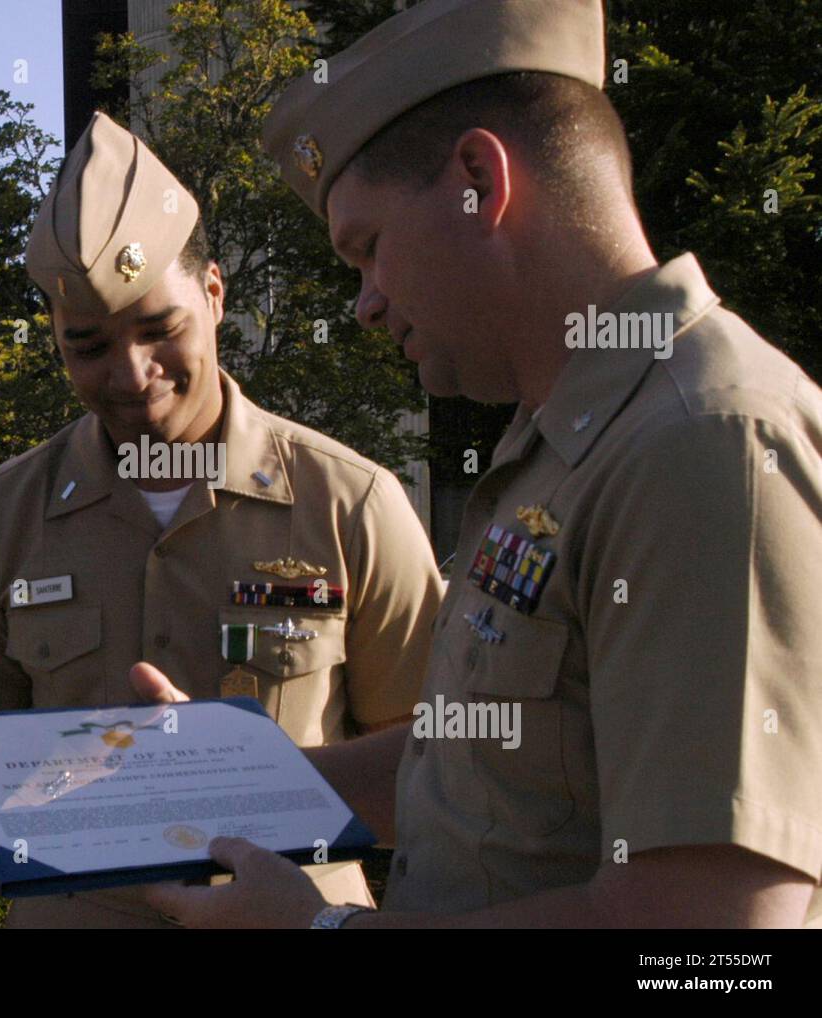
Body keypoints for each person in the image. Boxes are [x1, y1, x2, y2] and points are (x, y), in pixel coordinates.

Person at [139, 0, 822, 928]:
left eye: (368, 249)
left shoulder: (705, 441)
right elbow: (488, 761)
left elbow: (714, 938)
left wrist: (323, 932)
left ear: (477, 179)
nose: (366, 304)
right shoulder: (564, 436)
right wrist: (238, 782)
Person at [0, 110, 443, 928]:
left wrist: (235, 777)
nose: (131, 375)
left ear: (215, 293)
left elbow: (439, 767)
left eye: (160, 330)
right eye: (88, 347)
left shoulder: (353, 504)